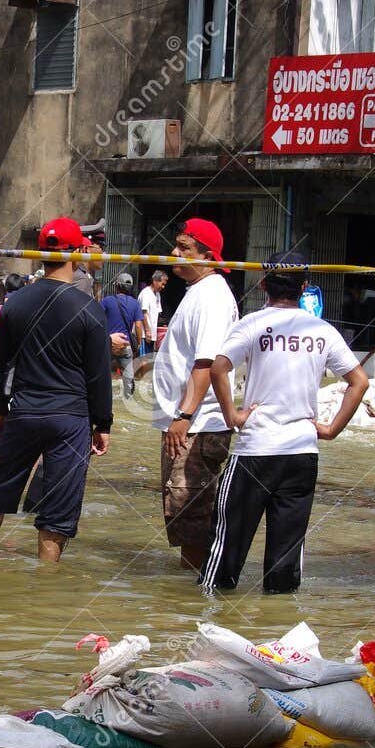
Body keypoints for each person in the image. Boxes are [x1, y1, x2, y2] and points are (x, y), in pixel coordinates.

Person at [197, 257, 368, 595]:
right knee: (286, 561)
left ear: (263, 285)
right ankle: (278, 624)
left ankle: (208, 615)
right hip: (302, 452)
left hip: (256, 450)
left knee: (225, 551)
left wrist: (233, 416)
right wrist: (332, 428)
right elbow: (359, 382)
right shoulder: (321, 330)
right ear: (304, 288)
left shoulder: (253, 323)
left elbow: (218, 368)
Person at [0, 216, 111, 562]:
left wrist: (0, 409)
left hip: (24, 412)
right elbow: (98, 375)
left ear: (39, 254)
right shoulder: (88, 309)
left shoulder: (15, 304)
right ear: (76, 252)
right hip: (70, 418)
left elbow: (1, 364)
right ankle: (44, 594)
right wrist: (103, 424)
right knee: (58, 510)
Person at [157, 218, 239, 573]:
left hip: (197, 424)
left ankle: (194, 590)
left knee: (190, 509)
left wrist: (184, 415)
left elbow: (207, 363)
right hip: (189, 421)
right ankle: (191, 585)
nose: (175, 253)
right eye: (176, 245)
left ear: (207, 255)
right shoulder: (198, 292)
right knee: (183, 509)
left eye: (184, 248)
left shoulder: (212, 296)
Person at [101, 273, 144, 398]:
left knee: (103, 373)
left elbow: (97, 319)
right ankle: (128, 398)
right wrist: (139, 342)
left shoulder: (107, 301)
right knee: (128, 377)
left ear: (116, 286)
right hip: (126, 345)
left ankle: (104, 397)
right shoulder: (135, 304)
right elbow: (138, 326)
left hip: (109, 343)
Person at [138, 269, 166, 355]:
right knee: (142, 361)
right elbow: (143, 313)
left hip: (152, 335)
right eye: (162, 284)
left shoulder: (157, 295)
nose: (163, 287)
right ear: (155, 281)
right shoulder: (145, 293)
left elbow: (157, 313)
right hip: (144, 334)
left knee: (148, 361)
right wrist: (147, 331)